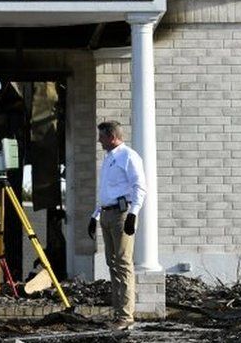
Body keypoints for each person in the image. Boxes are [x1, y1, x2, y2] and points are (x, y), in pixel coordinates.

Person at [88, 120, 147, 330]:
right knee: (112, 264)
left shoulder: (128, 156)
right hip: (107, 213)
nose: (99, 140)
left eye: (101, 137)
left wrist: (133, 214)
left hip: (122, 214)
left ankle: (126, 315)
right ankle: (118, 313)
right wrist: (95, 216)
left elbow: (140, 187)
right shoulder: (109, 158)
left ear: (112, 137)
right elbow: (106, 192)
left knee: (123, 264)